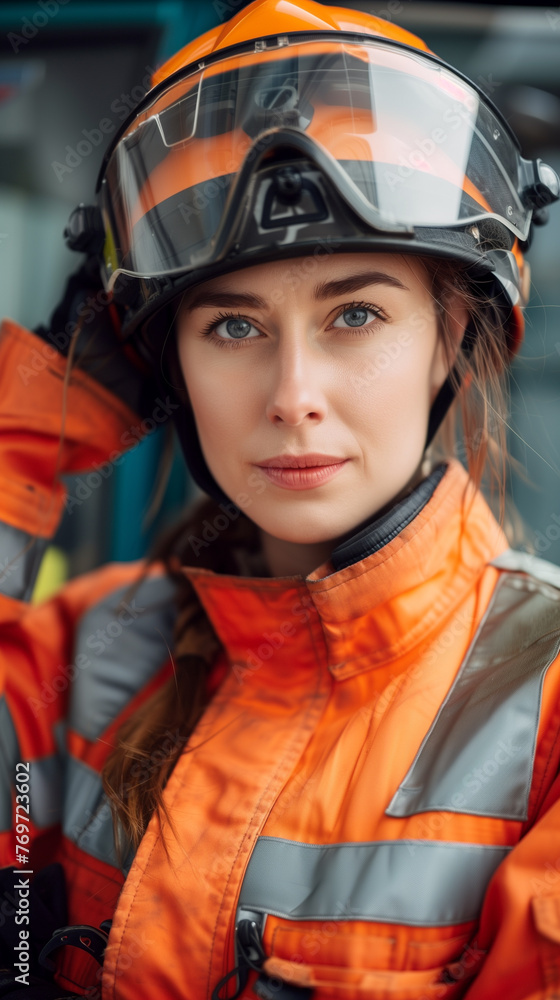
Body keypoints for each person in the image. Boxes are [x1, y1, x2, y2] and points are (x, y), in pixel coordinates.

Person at [0, 0, 559, 997]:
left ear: (447, 338)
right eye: (230, 326)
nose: (291, 394)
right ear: (160, 364)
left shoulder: (545, 714)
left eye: (353, 312)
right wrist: (44, 417)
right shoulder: (86, 647)